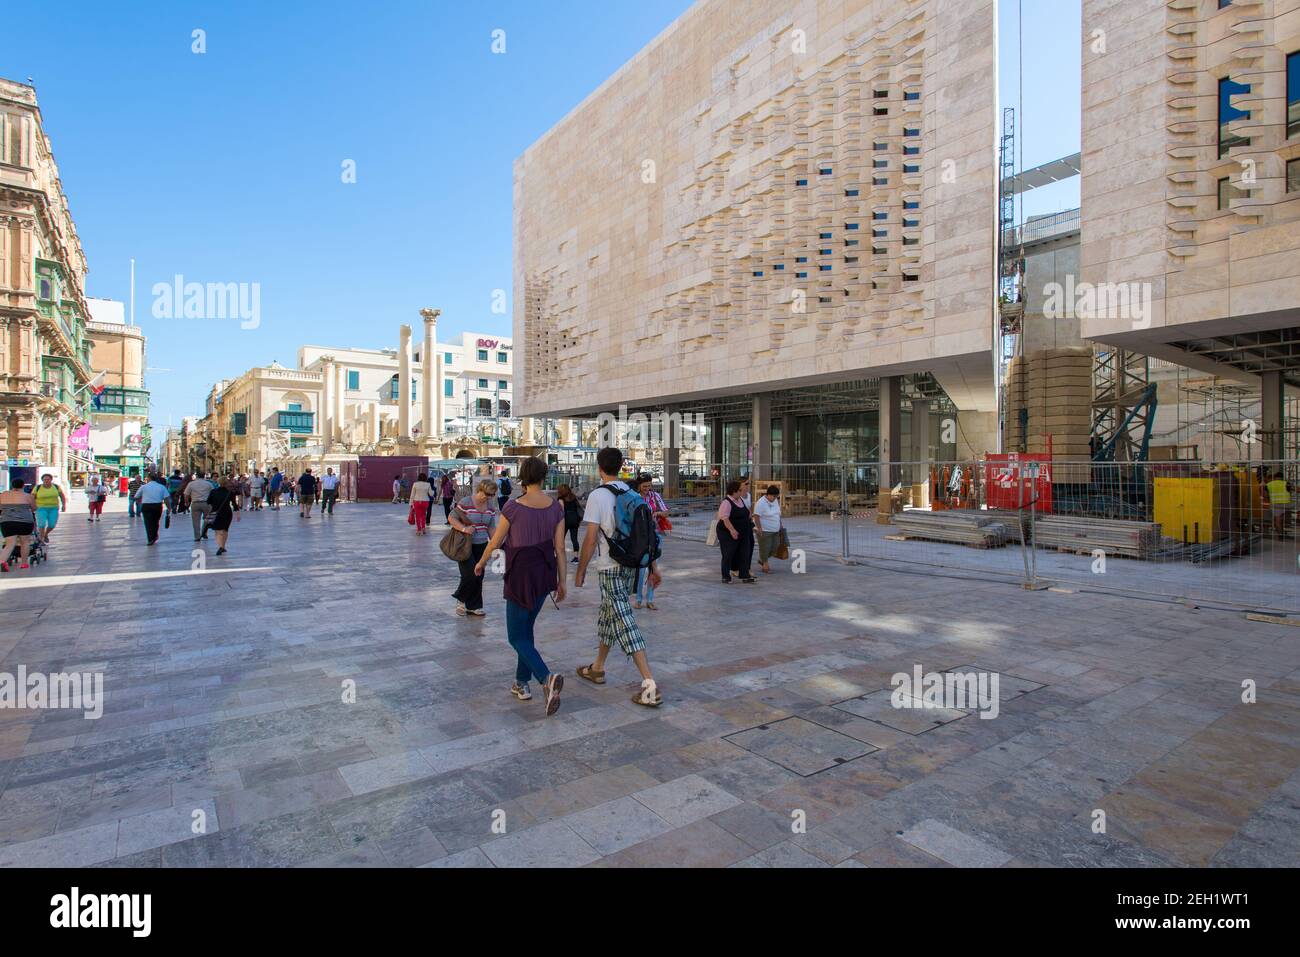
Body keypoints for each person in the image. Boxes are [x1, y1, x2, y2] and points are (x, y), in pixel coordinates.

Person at [474, 456, 567, 714]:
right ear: (543, 476)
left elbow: (494, 542)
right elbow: (560, 547)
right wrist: (563, 581)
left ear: (523, 477)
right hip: (544, 574)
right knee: (526, 630)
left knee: (515, 636)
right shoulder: (556, 508)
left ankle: (546, 678)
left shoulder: (513, 508)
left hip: (519, 574)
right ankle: (521, 682)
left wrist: (481, 562)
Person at [574, 447, 663, 708]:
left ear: (600, 467)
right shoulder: (631, 492)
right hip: (632, 566)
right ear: (621, 466)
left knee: (624, 621)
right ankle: (598, 667)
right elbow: (646, 534)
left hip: (610, 566)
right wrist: (654, 568)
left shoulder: (598, 496)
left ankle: (649, 684)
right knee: (609, 614)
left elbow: (590, 539)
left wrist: (580, 571)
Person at [449, 479, 498, 617]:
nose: (489, 497)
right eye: (487, 494)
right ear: (480, 490)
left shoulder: (490, 506)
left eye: (492, 495)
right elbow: (452, 518)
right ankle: (461, 599)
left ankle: (474, 606)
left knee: (479, 575)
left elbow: (491, 527)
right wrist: (464, 528)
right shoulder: (466, 502)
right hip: (465, 543)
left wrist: (496, 545)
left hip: (482, 544)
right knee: (469, 574)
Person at [633, 473, 669, 610]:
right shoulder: (635, 497)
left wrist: (658, 514)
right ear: (639, 485)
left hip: (655, 535)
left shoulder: (655, 496)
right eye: (644, 486)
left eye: (649, 485)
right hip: (640, 537)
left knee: (653, 569)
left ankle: (650, 598)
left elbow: (666, 512)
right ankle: (638, 599)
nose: (647, 488)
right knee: (641, 570)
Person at [717, 478, 756, 584]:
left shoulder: (740, 500)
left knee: (744, 552)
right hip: (727, 532)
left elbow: (746, 512)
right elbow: (724, 518)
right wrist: (732, 531)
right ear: (734, 491)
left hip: (742, 531)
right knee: (728, 553)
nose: (742, 491)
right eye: (740, 490)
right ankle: (725, 576)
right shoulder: (727, 502)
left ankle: (744, 575)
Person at [0, 476, 37, 572]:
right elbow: (34, 508)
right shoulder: (28, 496)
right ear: (23, 486)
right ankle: (24, 563)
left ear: (12, 485)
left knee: (9, 544)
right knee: (25, 542)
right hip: (25, 522)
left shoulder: (3, 495)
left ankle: (2, 561)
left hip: (7, 522)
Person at [203, 476, 241, 555]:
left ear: (218, 482)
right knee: (225, 530)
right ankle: (223, 546)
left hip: (216, 512)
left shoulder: (213, 491)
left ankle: (220, 546)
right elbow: (234, 504)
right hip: (227, 513)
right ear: (227, 483)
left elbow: (208, 502)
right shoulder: (229, 492)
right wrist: (238, 514)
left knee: (218, 531)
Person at [134, 473, 172, 546]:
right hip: (157, 506)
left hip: (146, 506)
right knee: (155, 521)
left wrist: (140, 500)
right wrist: (169, 508)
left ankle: (150, 538)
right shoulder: (161, 487)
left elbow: (136, 497)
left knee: (148, 522)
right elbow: (166, 499)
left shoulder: (143, 487)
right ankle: (154, 536)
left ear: (149, 478)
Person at [754, 485, 784, 574]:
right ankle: (765, 565)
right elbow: (756, 516)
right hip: (765, 530)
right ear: (768, 494)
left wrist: (780, 525)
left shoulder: (775, 501)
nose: (775, 498)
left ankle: (762, 560)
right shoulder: (761, 503)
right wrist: (759, 528)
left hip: (775, 529)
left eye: (776, 497)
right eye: (774, 496)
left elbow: (777, 514)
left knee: (775, 547)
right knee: (765, 548)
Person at [33, 474, 66, 546]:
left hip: (53, 508)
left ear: (51, 480)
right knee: (41, 524)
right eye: (45, 479)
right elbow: (32, 497)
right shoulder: (38, 487)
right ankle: (41, 539)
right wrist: (32, 506)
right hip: (40, 508)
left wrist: (64, 505)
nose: (46, 481)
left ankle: (45, 534)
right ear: (42, 480)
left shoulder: (56, 487)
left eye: (48, 479)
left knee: (52, 524)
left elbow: (62, 496)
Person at [185, 471, 216, 541]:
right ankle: (204, 532)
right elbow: (213, 493)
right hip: (206, 503)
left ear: (197, 476)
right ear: (204, 476)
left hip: (195, 503)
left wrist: (186, 502)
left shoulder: (191, 484)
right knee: (207, 520)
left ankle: (197, 536)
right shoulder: (208, 484)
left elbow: (186, 494)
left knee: (195, 521)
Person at [556, 484, 582, 563]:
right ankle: (576, 558)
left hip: (565, 521)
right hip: (574, 521)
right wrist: (579, 521)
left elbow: (561, 512)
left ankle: (559, 556)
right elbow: (579, 509)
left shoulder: (561, 499)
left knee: (560, 539)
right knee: (574, 539)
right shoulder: (573, 497)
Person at [1266, 470, 1292, 538]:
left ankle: (1280, 534)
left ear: (1275, 477)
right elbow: (1295, 490)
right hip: (1286, 504)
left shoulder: (1269, 484)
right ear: (1282, 477)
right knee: (1283, 520)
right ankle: (1282, 532)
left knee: (1278, 520)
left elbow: (1265, 495)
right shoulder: (1286, 483)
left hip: (1275, 504)